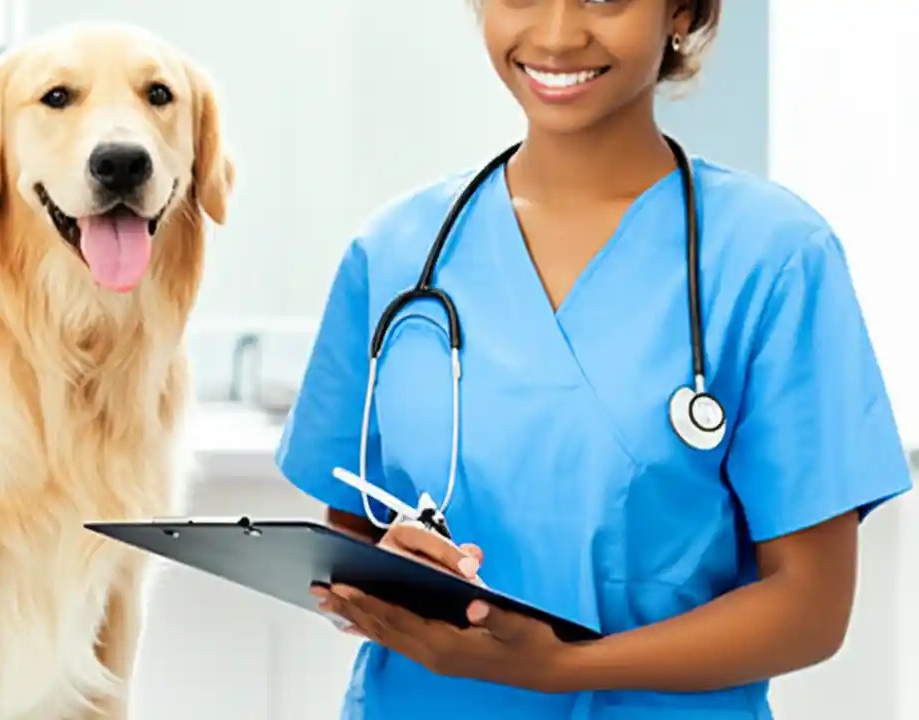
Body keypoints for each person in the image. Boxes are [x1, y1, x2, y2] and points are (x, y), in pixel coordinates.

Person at [275, 1, 914, 718]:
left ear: (681, 11)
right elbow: (351, 530)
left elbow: (810, 607)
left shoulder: (774, 259)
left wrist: (561, 669)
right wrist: (392, 576)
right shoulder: (393, 252)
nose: (556, 35)